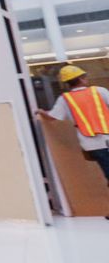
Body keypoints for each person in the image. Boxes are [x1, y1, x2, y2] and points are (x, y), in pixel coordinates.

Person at [37, 65, 109, 211]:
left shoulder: (66, 99)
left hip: (92, 144)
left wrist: (40, 112)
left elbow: (53, 117)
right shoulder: (99, 91)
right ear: (82, 79)